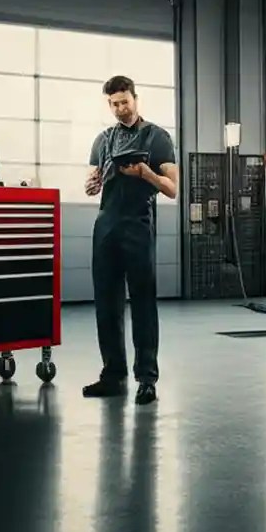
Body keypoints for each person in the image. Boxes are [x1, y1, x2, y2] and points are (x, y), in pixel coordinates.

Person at [82, 75, 178, 405]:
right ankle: (113, 375)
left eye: (125, 102)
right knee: (106, 303)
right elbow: (92, 180)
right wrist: (91, 185)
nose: (120, 108)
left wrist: (146, 173)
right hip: (106, 224)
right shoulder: (102, 140)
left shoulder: (157, 137)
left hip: (138, 223)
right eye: (114, 104)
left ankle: (147, 379)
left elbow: (173, 188)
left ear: (135, 99)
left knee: (142, 302)